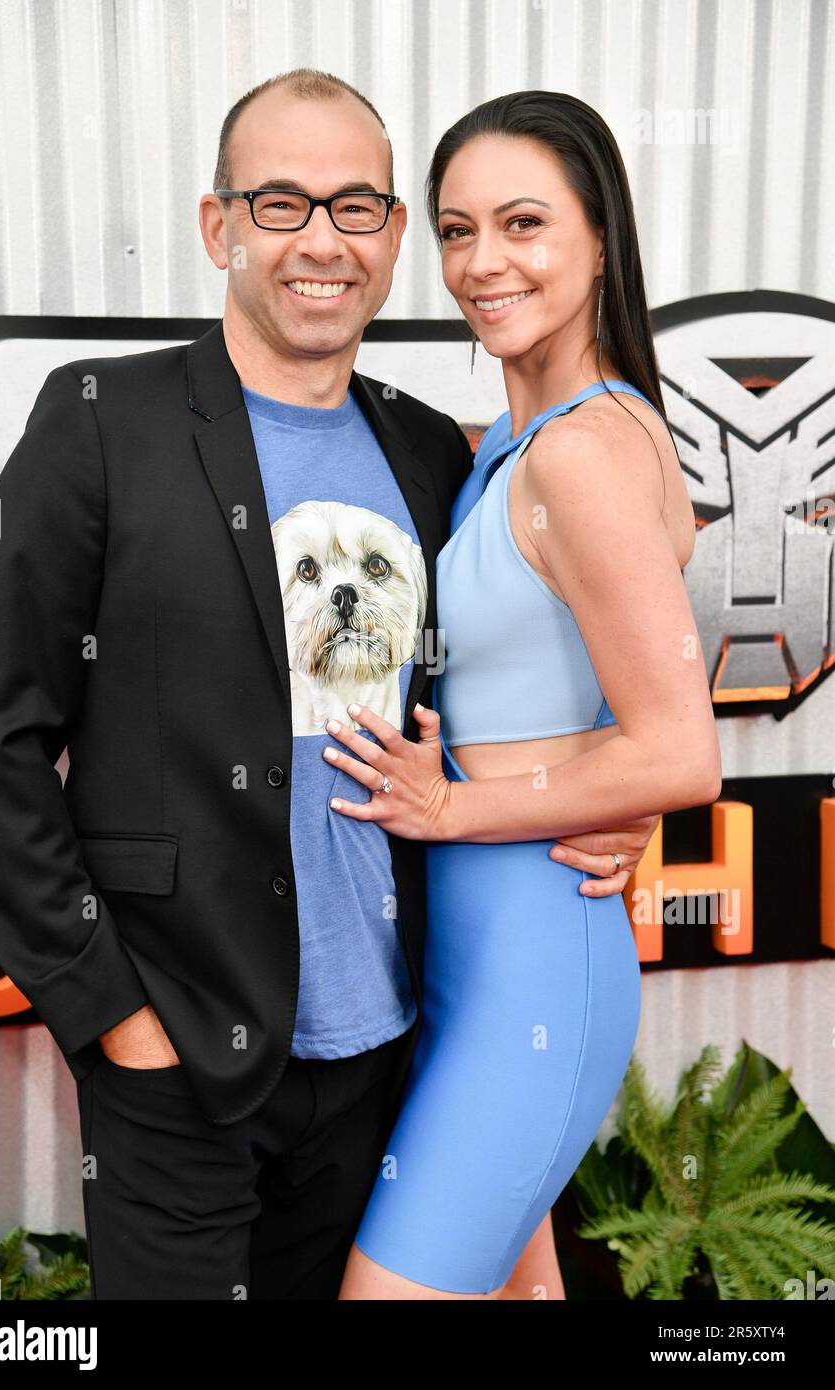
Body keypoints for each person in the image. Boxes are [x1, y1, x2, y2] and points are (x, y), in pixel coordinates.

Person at [0, 72, 660, 1301]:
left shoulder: (438, 451)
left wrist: (615, 794)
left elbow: (531, 685)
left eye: (357, 206)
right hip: (180, 1061)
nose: (321, 239)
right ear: (219, 225)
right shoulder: (102, 421)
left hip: (389, 1055)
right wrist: (114, 1017)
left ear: (389, 240)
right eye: (280, 204)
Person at [331, 91, 721, 1300]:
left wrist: (448, 807)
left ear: (601, 234)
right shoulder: (517, 440)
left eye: (521, 223)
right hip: (478, 963)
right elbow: (599, 697)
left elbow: (679, 756)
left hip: (532, 972)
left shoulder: (580, 451)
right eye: (455, 231)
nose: (480, 264)